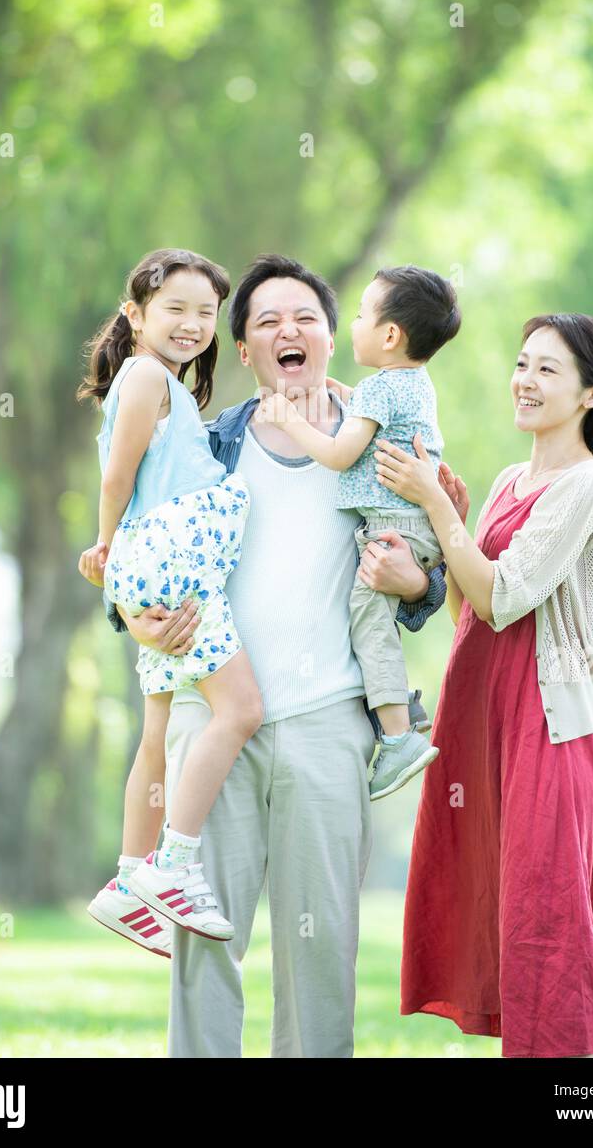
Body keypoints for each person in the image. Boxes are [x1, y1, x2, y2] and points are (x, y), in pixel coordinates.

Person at [83, 253, 447, 1057]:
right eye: (265, 322)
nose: (289, 331)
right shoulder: (206, 441)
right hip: (216, 725)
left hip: (328, 727)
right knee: (204, 942)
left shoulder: (382, 436)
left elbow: (429, 574)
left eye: (305, 318)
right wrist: (132, 615)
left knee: (322, 951)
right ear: (242, 350)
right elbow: (136, 552)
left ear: (330, 336)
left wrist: (415, 576)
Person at [373, 312, 593, 1058]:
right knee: (499, 915)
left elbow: (507, 595)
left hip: (553, 723)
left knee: (544, 920)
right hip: (488, 717)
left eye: (547, 370)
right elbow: (475, 610)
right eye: (521, 362)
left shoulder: (585, 487)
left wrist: (437, 509)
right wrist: (443, 545)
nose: (524, 381)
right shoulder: (509, 480)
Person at [77, 247, 264, 950]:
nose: (191, 323)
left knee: (156, 736)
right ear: (135, 314)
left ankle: (128, 882)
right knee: (241, 709)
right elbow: (116, 476)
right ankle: (173, 865)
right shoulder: (148, 373)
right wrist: (107, 546)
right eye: (174, 309)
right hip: (167, 560)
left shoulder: (160, 383)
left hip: (158, 562)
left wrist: (115, 555)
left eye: (204, 312)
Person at [256, 264, 460, 800]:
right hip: (416, 528)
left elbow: (341, 453)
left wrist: (289, 417)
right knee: (375, 621)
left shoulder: (374, 392)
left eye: (363, 314)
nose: (353, 324)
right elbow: (373, 421)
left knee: (369, 621)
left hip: (393, 530)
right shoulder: (411, 384)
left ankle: (398, 734)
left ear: (390, 334)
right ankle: (399, 713)